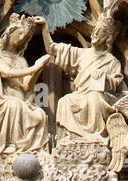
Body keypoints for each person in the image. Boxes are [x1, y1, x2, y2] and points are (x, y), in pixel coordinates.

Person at [38, 13, 123, 141]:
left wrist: (104, 77)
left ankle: (94, 138)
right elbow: (52, 49)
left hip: (98, 97)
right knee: (65, 101)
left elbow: (118, 84)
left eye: (99, 31)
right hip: (81, 94)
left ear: (107, 37)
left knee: (94, 98)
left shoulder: (112, 61)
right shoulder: (81, 54)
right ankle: (69, 139)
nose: (95, 33)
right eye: (94, 30)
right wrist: (44, 27)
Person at [0, 16, 50, 153]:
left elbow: (26, 86)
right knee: (13, 105)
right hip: (1, 100)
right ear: (9, 33)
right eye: (19, 34)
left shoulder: (21, 61)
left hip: (20, 100)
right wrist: (34, 68)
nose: (21, 39)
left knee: (40, 114)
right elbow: (5, 72)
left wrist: (38, 70)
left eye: (25, 37)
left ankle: (34, 152)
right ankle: (8, 146)